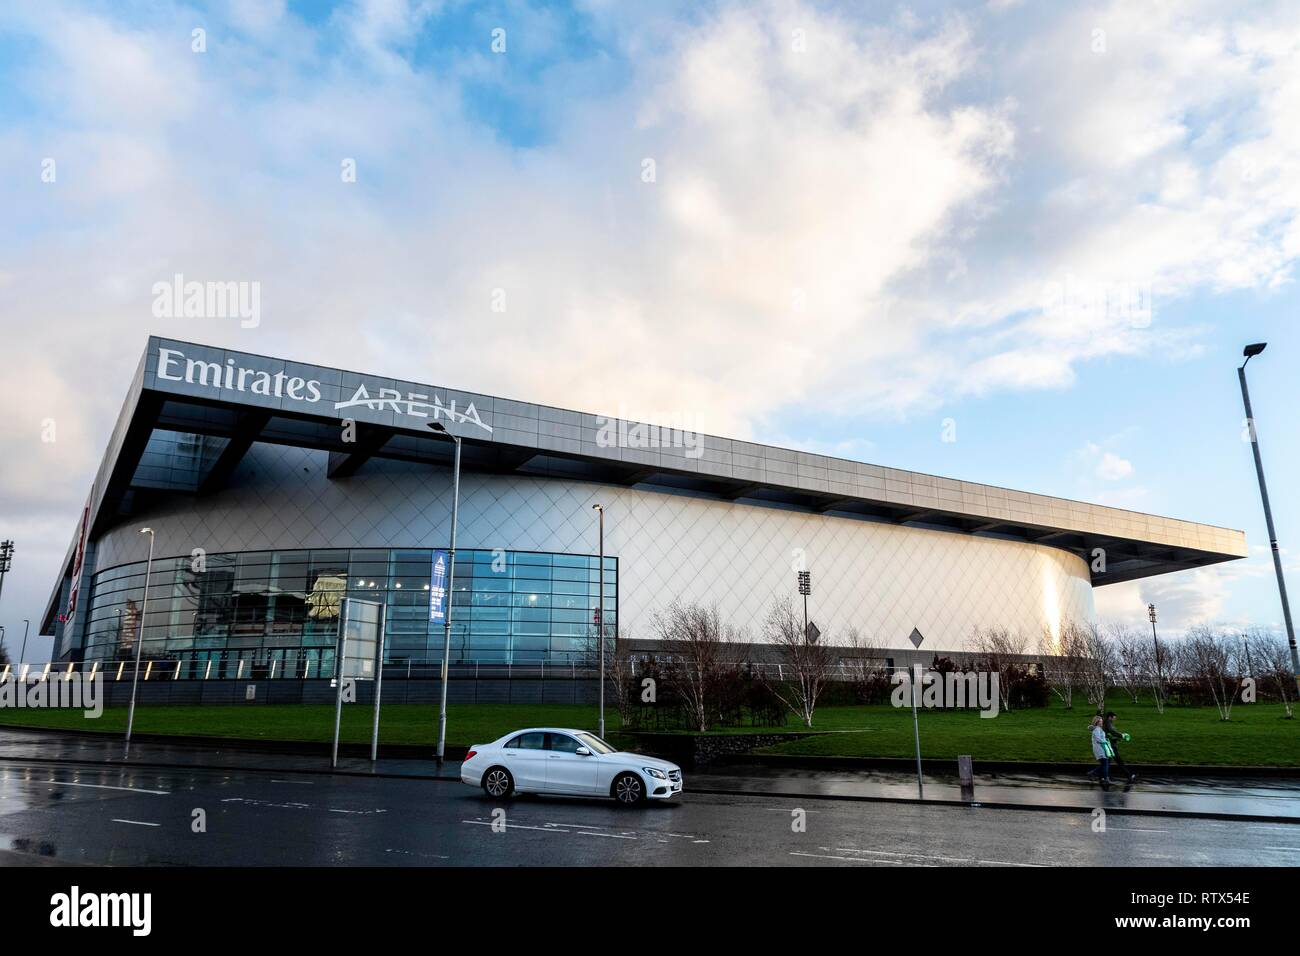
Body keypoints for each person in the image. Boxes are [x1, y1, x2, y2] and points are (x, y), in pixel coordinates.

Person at [1103, 710, 1137, 783]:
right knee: (1119, 762)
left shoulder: (1107, 723)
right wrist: (1122, 735)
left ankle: (1098, 775)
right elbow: (1112, 732)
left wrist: (1118, 738)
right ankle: (1129, 776)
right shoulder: (1108, 723)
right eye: (1113, 718)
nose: (1114, 719)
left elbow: (1110, 735)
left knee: (1107, 763)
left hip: (1110, 745)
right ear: (1110, 717)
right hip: (1111, 746)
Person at [1086, 716, 1112, 787]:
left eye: (1101, 721)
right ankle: (1105, 778)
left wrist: (1107, 739)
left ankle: (1095, 774)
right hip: (1099, 749)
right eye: (1100, 721)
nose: (1101, 722)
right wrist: (1105, 742)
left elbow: (1102, 738)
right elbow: (1098, 739)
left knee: (1104, 764)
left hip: (1102, 748)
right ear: (1097, 722)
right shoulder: (1096, 729)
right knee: (1105, 764)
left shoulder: (1099, 729)